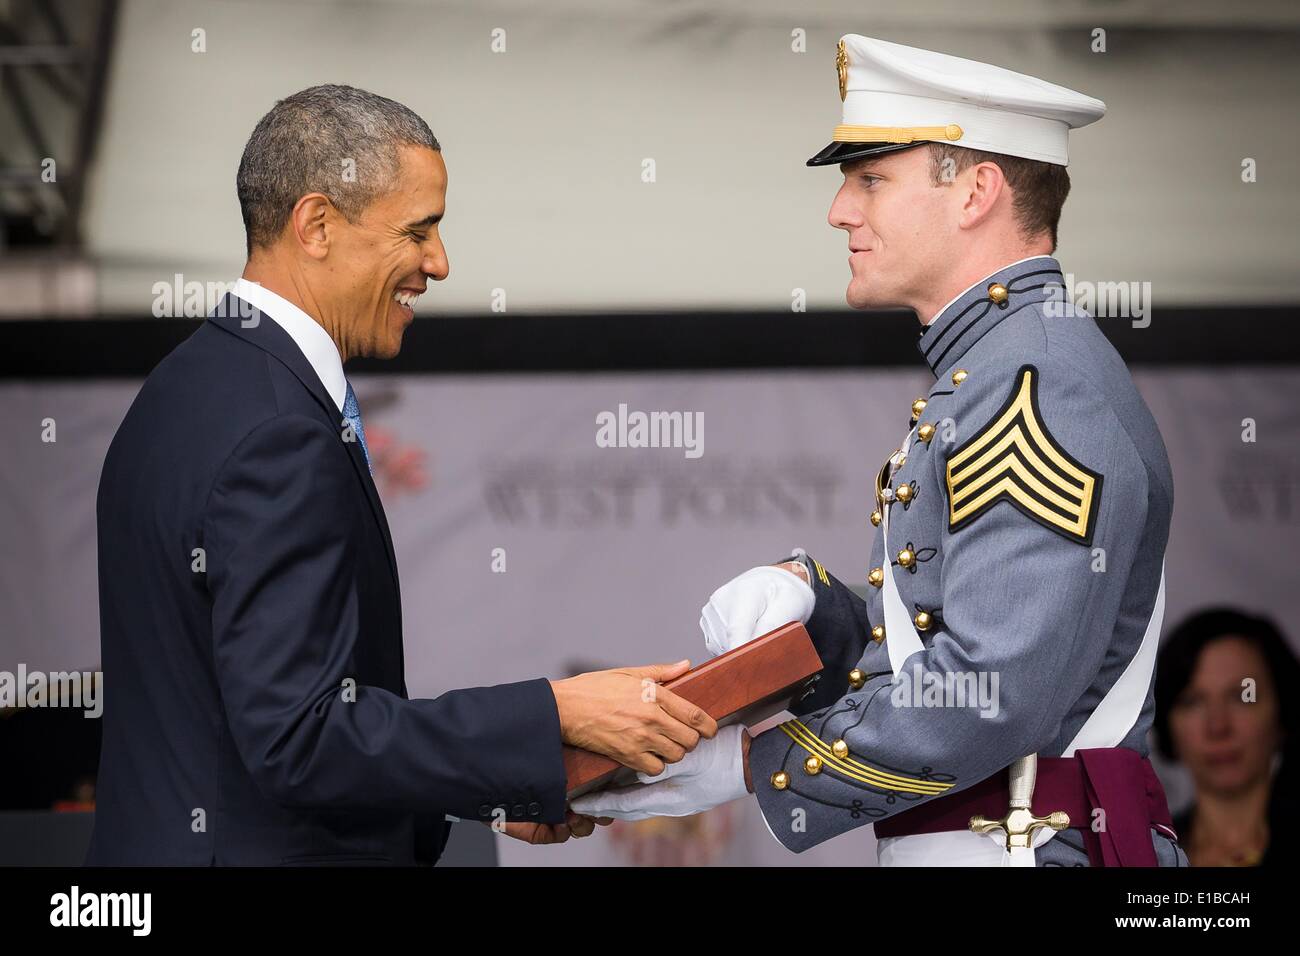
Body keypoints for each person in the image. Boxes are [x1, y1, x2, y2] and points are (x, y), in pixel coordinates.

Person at [575, 35, 1183, 867]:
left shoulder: (1035, 380)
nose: (839, 211)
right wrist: (817, 608)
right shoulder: (1005, 366)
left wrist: (756, 764)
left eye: (871, 179)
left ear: (976, 192)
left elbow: (994, 689)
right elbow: (947, 631)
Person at [87, 85, 715, 866]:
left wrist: (484, 791)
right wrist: (550, 714)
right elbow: (299, 738)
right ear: (316, 224)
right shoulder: (278, 431)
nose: (440, 264)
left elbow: (246, 728)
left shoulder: (187, 388)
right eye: (419, 231)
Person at [1155, 608, 1299, 866]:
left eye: (1242, 696)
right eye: (1192, 702)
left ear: (1283, 709)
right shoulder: (1143, 854)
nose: (1218, 727)